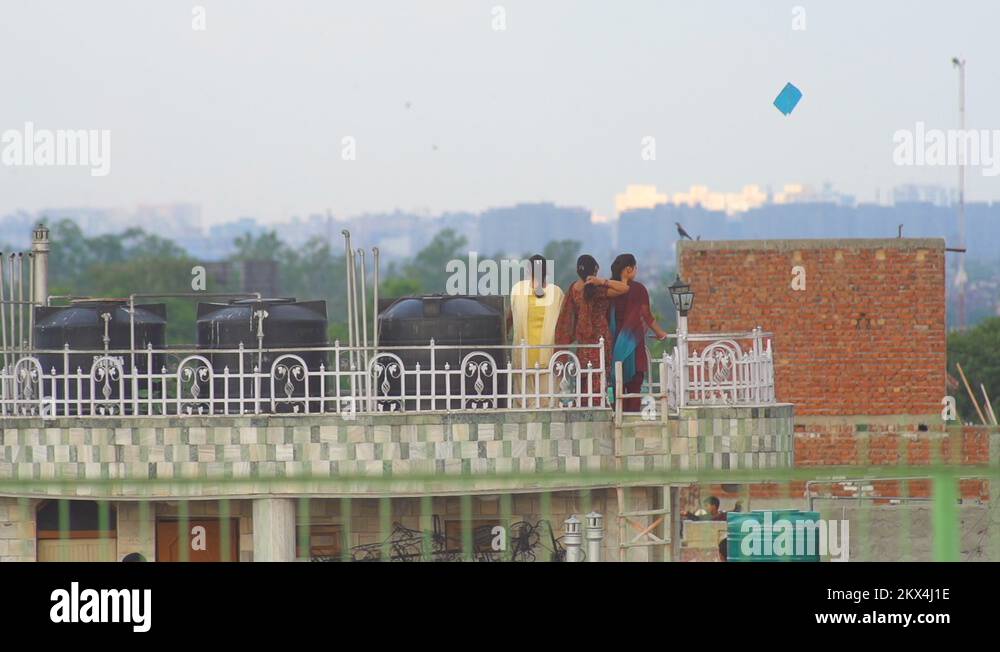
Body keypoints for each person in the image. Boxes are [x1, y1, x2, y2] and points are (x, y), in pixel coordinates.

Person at [554, 255, 630, 406]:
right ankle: (599, 403)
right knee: (600, 372)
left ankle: (584, 403)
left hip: (584, 341)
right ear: (595, 270)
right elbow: (625, 288)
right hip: (601, 337)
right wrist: (602, 281)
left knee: (584, 374)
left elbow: (567, 319)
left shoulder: (574, 289)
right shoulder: (598, 288)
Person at [607, 253, 669, 411]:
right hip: (633, 346)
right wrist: (661, 333)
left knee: (617, 385)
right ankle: (631, 420)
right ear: (628, 269)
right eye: (635, 268)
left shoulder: (609, 288)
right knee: (634, 387)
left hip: (613, 345)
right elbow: (647, 316)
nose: (636, 270)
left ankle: (616, 415)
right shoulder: (639, 289)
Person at [508, 254, 565, 407]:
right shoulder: (554, 293)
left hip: (540, 355)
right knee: (544, 402)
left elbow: (508, 319)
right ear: (547, 271)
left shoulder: (519, 291)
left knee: (531, 402)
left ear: (528, 270)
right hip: (532, 355)